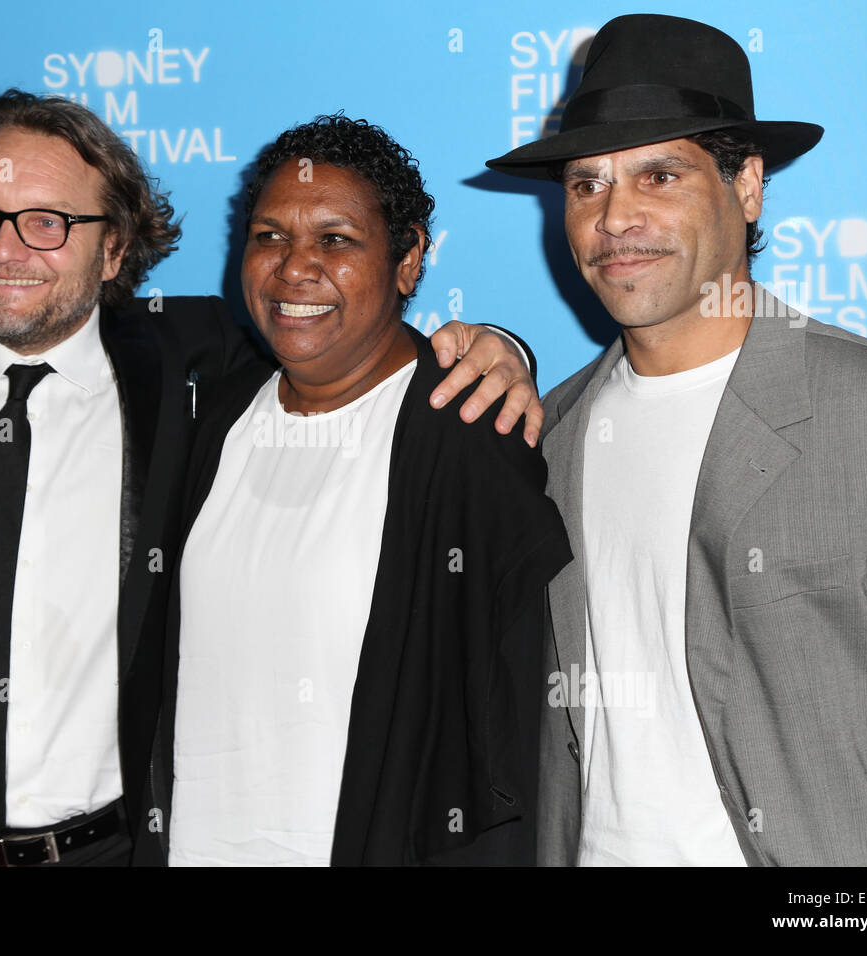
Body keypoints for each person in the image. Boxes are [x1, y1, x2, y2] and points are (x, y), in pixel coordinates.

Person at [0, 90, 542, 866]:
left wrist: (500, 346)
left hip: (114, 853)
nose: (6, 248)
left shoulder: (192, 372)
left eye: (47, 222)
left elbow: (348, 337)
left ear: (115, 247)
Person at [486, 13, 867, 866]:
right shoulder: (545, 436)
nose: (614, 217)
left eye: (658, 175)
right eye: (586, 184)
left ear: (746, 187)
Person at [138, 116, 572, 866]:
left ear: (409, 259)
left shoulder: (467, 431)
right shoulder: (208, 416)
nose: (294, 268)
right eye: (270, 236)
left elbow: (508, 726)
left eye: (336, 240)